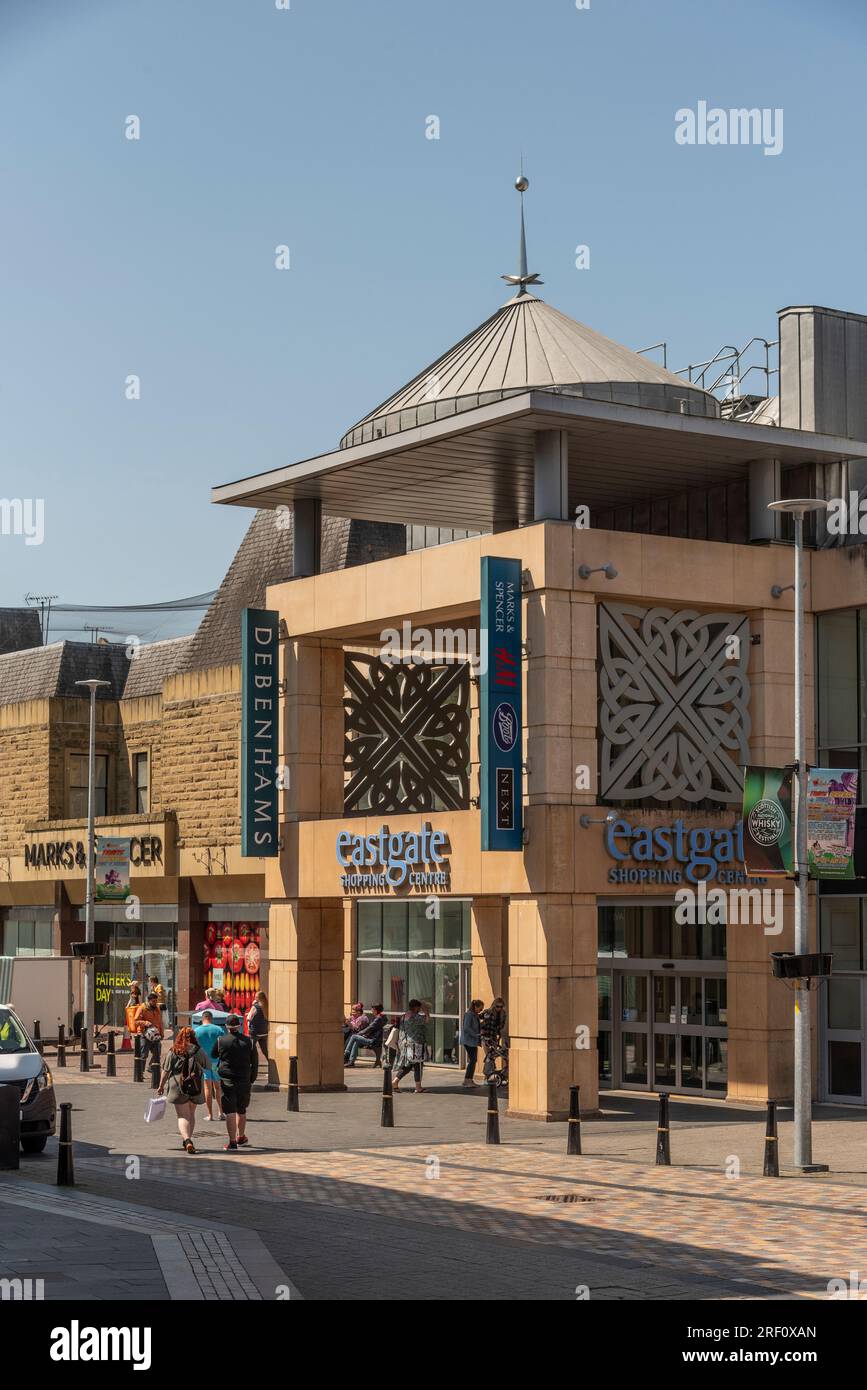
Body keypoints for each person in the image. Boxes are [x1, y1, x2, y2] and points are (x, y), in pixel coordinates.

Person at [157, 1025, 209, 1154]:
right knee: (191, 1114)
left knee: (182, 1116)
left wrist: (161, 1085)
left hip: (178, 1087)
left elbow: (166, 1070)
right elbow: (208, 1065)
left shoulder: (174, 1050)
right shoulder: (198, 1050)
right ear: (193, 1037)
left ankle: (187, 1140)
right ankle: (189, 1139)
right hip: (195, 1086)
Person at [211, 1014, 258, 1151]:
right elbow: (254, 1063)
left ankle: (232, 1142)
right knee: (241, 1110)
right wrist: (251, 1079)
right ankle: (241, 1136)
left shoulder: (221, 1040)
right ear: (239, 1026)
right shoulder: (249, 1042)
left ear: (227, 1026)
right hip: (244, 1080)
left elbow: (214, 1054)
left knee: (230, 1111)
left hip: (227, 1080)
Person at [194, 1009, 227, 1121]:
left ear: (202, 1019)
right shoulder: (218, 1029)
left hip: (204, 1063)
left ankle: (210, 1115)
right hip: (216, 1062)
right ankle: (221, 1113)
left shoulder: (196, 1031)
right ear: (211, 1018)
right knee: (218, 1087)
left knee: (207, 1088)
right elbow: (223, 1045)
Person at [393, 999, 429, 1093]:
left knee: (409, 1065)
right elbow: (426, 1019)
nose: (419, 1009)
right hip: (416, 1044)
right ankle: (418, 1087)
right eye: (419, 1007)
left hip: (406, 1043)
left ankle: (395, 1081)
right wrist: (426, 1010)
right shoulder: (415, 1017)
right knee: (418, 1064)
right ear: (416, 1007)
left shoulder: (404, 1016)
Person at [133, 992, 164, 1074]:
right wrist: (145, 1023)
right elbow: (135, 1021)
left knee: (157, 1051)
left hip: (155, 1034)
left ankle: (151, 1067)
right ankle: (140, 1072)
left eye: (156, 1001)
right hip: (144, 1034)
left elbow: (160, 1021)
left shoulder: (157, 1008)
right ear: (149, 1001)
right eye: (153, 1001)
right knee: (143, 1054)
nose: (155, 1003)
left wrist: (162, 1032)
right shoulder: (142, 1008)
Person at [480, 996, 507, 1079]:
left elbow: (501, 1026)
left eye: (501, 1006)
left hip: (494, 1037)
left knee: (492, 1057)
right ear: (494, 1005)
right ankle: (486, 1076)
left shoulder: (503, 1014)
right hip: (486, 1037)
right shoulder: (489, 1012)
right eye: (497, 1006)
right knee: (489, 1056)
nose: (499, 1008)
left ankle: (489, 1075)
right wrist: (481, 1029)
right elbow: (479, 1017)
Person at [459, 999, 484, 1087]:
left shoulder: (475, 1015)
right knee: (473, 1060)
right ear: (475, 1007)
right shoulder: (469, 1014)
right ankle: (468, 1080)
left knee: (473, 1060)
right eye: (480, 1009)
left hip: (473, 1041)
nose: (480, 1011)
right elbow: (466, 1027)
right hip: (468, 1041)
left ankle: (468, 1080)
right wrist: (476, 1035)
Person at [246, 991, 269, 1061]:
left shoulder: (255, 1006)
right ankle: (271, 1065)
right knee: (265, 1050)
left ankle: (252, 1065)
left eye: (256, 997)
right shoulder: (267, 1006)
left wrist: (250, 1011)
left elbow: (248, 1018)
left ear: (257, 998)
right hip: (264, 1032)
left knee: (251, 1049)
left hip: (255, 1032)